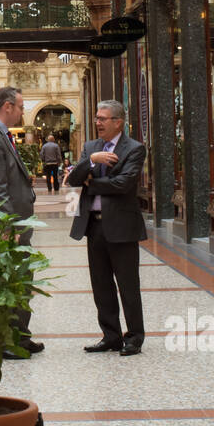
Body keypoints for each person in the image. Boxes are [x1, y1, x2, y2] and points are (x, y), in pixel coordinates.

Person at [67, 101, 147, 356]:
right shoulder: (91, 147)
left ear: (118, 122)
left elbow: (123, 184)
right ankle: (110, 335)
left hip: (122, 227)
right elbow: (74, 179)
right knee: (101, 285)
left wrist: (93, 183)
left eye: (103, 118)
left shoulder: (134, 149)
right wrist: (91, 160)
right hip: (95, 226)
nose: (98, 123)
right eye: (96, 118)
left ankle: (134, 337)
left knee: (128, 285)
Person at [0, 87, 43, 357]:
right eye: (21, 106)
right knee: (8, 282)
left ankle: (20, 337)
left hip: (14, 224)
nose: (24, 111)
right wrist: (7, 226)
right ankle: (2, 342)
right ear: (8, 106)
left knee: (21, 279)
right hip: (4, 228)